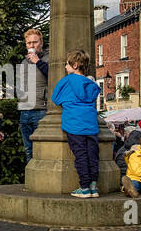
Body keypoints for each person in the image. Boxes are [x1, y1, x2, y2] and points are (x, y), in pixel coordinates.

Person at [50, 49, 102, 198]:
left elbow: (56, 98)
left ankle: (84, 187)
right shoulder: (90, 83)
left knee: (80, 156)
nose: (65, 67)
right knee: (92, 155)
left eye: (67, 64)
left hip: (74, 124)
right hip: (90, 125)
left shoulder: (66, 81)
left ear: (75, 65)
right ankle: (93, 186)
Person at [17, 28, 49, 162]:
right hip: (24, 111)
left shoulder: (48, 59)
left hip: (40, 110)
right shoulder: (23, 62)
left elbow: (54, 76)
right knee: (28, 151)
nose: (31, 46)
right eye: (28, 43)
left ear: (41, 42)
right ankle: (31, 182)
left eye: (34, 42)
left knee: (42, 151)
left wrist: (38, 62)